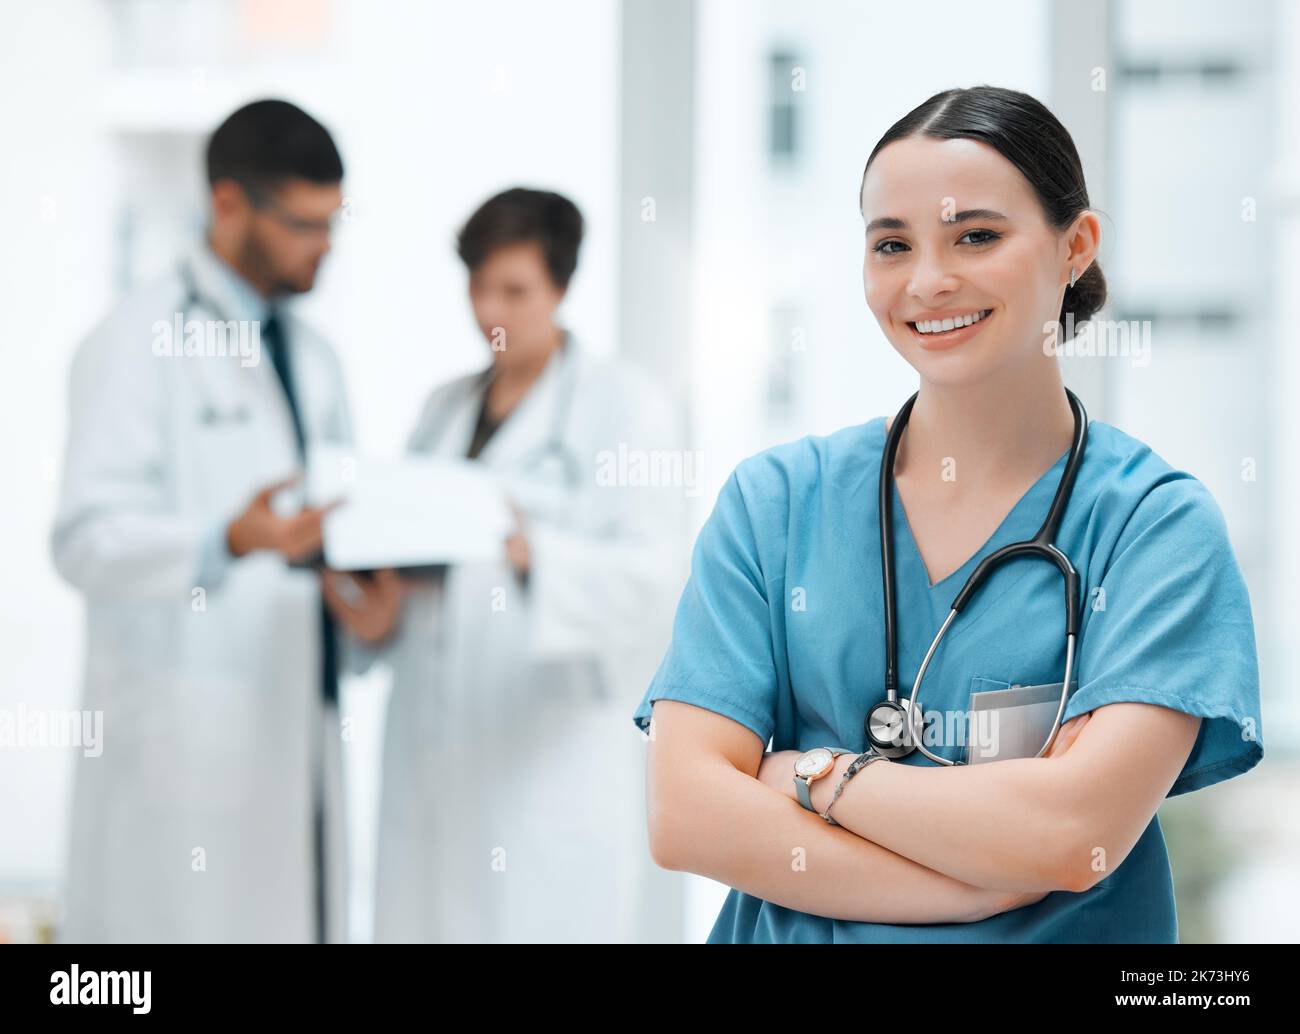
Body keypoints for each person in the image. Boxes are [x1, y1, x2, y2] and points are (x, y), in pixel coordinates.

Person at [634, 85, 1264, 943]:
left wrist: (817, 776)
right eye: (892, 245)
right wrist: (969, 890)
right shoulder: (776, 505)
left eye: (976, 235)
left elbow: (1071, 837)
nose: (929, 281)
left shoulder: (1153, 528)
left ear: (1075, 246)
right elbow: (686, 816)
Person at [324, 187, 685, 942]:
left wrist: (533, 557)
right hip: (431, 752)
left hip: (545, 761)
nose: (492, 309)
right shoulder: (442, 408)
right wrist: (377, 608)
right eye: (478, 286)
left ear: (560, 287)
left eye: (514, 290)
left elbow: (656, 582)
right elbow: (414, 561)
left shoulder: (624, 407)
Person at [51, 99, 353, 942]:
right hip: (182, 752)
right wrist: (225, 539)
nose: (323, 246)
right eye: (302, 223)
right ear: (228, 204)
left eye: (333, 223)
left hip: (293, 735)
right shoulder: (136, 338)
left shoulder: (317, 360)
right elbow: (84, 540)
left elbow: (332, 524)